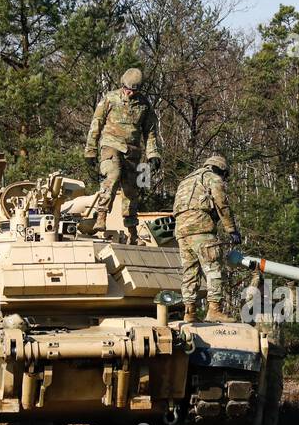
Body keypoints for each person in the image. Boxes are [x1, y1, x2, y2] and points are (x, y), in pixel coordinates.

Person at [84, 67, 161, 243]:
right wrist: (90, 150)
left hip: (133, 151)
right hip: (111, 145)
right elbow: (96, 124)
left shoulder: (144, 104)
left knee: (132, 191)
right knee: (113, 175)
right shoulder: (110, 98)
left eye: (133, 90)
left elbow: (150, 132)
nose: (129, 92)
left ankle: (132, 232)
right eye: (127, 88)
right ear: (122, 85)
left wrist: (153, 154)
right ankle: (101, 216)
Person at [173, 155, 239, 323]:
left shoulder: (186, 181)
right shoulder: (212, 178)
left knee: (189, 272)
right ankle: (214, 310)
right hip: (201, 228)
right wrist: (231, 229)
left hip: (181, 231)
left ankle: (189, 312)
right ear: (220, 170)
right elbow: (221, 203)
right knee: (214, 269)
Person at [243, 270, 284, 425]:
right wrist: (255, 278)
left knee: (274, 397)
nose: (264, 292)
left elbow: (294, 303)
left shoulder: (278, 308)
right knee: (258, 397)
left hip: (275, 359)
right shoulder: (252, 309)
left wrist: (292, 285)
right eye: (261, 289)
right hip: (259, 358)